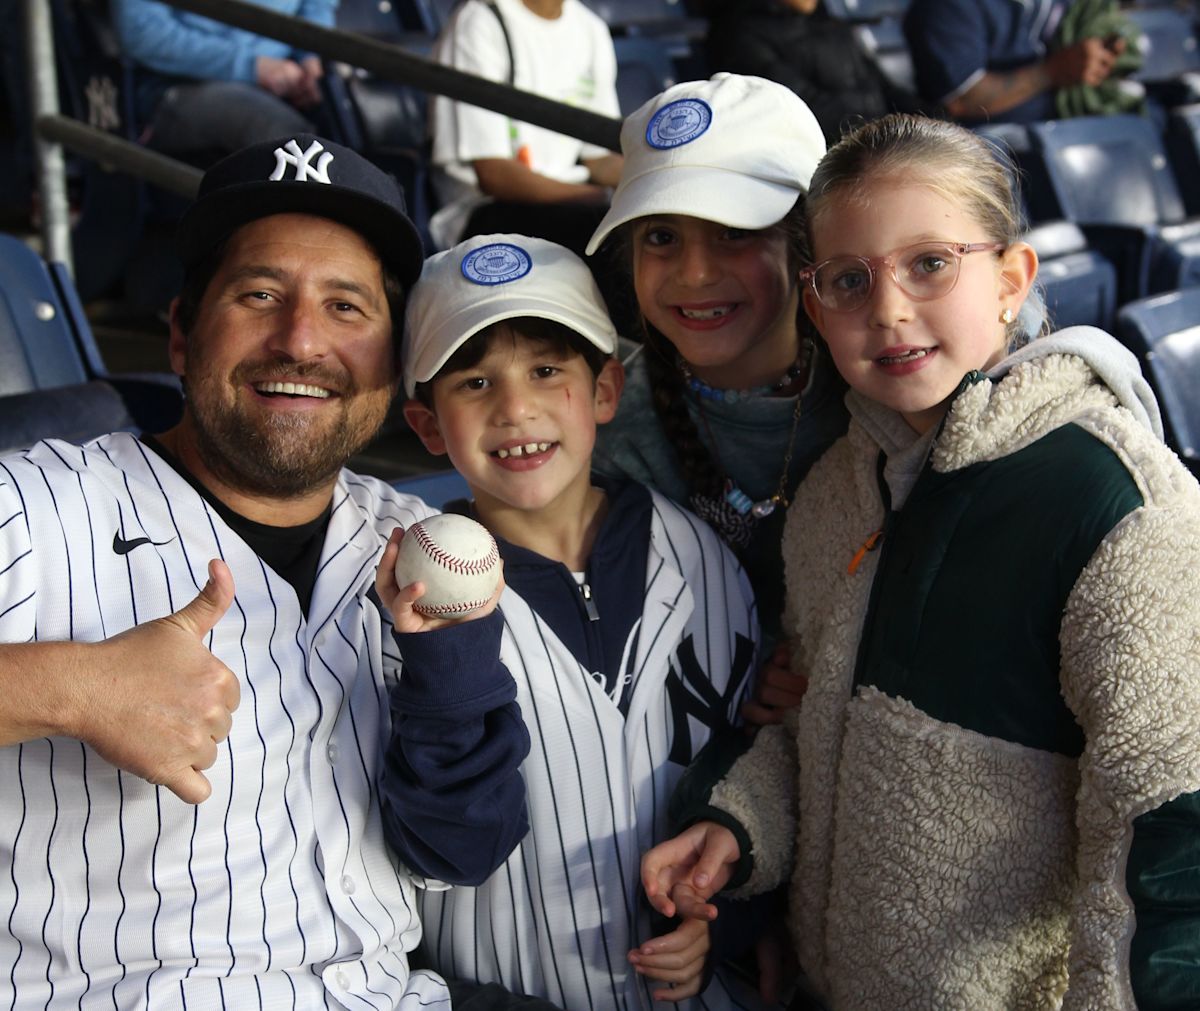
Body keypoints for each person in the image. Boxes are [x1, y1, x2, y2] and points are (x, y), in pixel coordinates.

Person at [640, 112, 1200, 1009]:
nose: (890, 308)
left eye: (931, 263)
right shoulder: (835, 491)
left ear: (1013, 278)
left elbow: (1172, 841)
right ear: (816, 307)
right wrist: (738, 824)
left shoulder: (1111, 501)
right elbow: (810, 726)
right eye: (851, 280)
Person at [0, 134, 536, 1008]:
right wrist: (73, 687)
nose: (300, 341)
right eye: (259, 295)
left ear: (392, 363)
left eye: (347, 308)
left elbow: (464, 847)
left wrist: (451, 679)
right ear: (179, 333)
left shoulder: (417, 544)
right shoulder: (33, 508)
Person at [398, 232, 771, 1007]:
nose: (515, 407)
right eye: (472, 382)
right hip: (509, 982)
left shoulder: (705, 559)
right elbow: (426, 844)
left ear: (605, 390)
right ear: (429, 425)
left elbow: (760, 777)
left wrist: (727, 925)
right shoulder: (396, 603)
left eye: (545, 369)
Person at [584, 74, 848, 689]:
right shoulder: (610, 426)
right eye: (662, 237)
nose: (695, 273)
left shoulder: (877, 385)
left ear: (805, 243)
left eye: (734, 232)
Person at [426, 0, 623, 254]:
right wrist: (606, 198)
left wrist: (650, 180)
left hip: (574, 201)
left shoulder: (591, 28)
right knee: (612, 237)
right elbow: (494, 175)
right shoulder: (481, 21)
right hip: (483, 212)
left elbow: (599, 159)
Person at [113, 0, 331, 162]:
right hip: (178, 85)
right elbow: (140, 31)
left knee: (352, 120)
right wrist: (252, 67)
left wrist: (309, 58)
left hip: (288, 74)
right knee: (289, 141)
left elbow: (316, 6)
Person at [698, 0, 922, 142]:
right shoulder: (740, 36)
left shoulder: (830, 24)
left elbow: (883, 87)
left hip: (875, 136)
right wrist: (883, 128)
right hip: (834, 155)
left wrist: (931, 116)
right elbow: (799, 109)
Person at [902, 0, 1127, 124]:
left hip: (1076, 127)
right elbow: (963, 100)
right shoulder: (945, 7)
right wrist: (1053, 71)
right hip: (1002, 151)